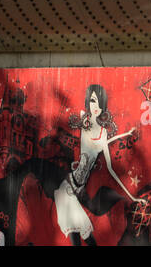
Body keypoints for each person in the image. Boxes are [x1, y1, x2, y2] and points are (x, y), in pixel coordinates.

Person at [53, 84, 138, 245]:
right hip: (68, 189)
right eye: (93, 101)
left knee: (86, 238)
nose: (96, 106)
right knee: (83, 238)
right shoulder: (85, 122)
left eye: (100, 102)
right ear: (87, 102)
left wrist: (132, 196)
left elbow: (111, 169)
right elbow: (89, 136)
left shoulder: (103, 132)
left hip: (76, 190)